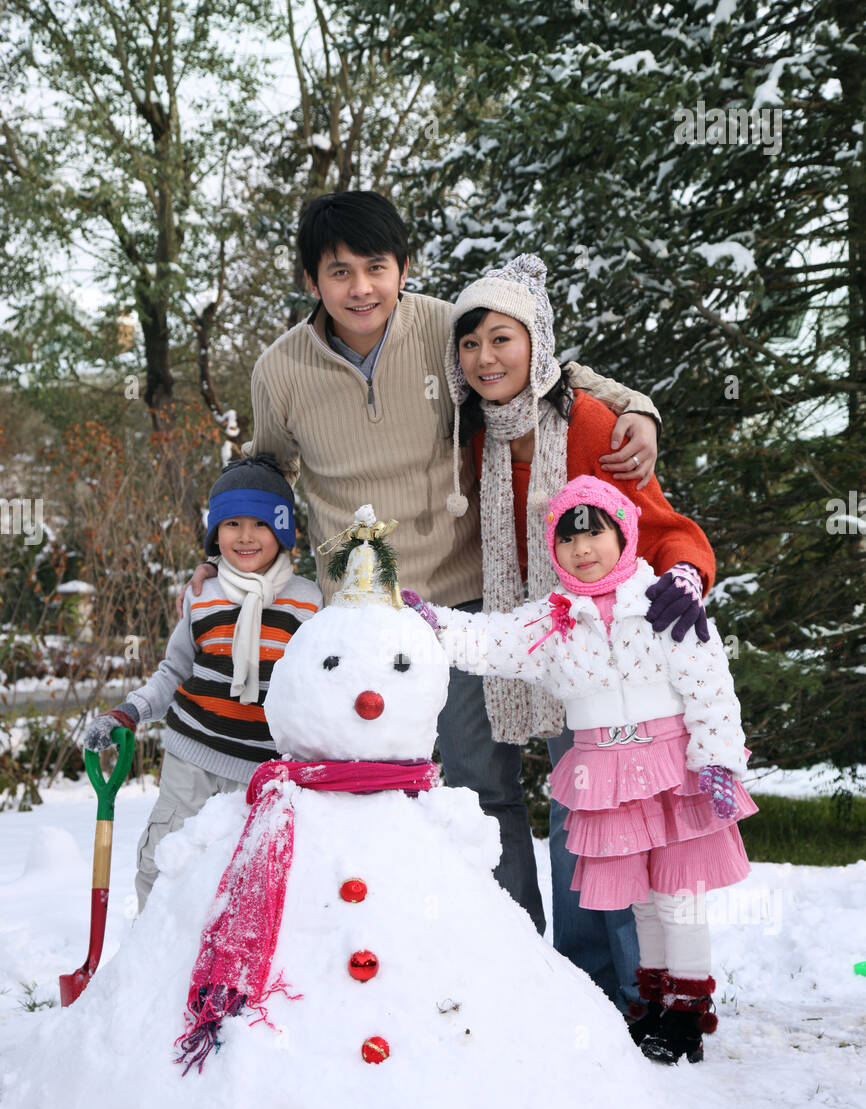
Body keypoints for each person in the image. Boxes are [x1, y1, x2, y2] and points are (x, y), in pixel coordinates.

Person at [184, 190, 662, 937]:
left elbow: (537, 366)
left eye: (378, 267)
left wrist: (636, 404)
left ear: (403, 267)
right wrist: (220, 560)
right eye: (340, 272)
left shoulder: (445, 328)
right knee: (369, 791)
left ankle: (528, 967)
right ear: (312, 281)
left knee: (483, 786)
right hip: (364, 620)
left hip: (468, 600)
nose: (361, 288)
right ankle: (409, 958)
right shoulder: (279, 371)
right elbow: (265, 475)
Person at [435, 252, 716, 1015]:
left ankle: (604, 987)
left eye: (503, 339)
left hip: (589, 643)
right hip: (505, 629)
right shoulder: (468, 432)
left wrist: (684, 578)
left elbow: (665, 529)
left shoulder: (588, 421)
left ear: (536, 342)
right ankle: (518, 967)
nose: (486, 358)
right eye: (471, 344)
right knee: (484, 796)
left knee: (587, 813)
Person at [422, 475, 757, 1063]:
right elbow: (487, 640)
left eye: (595, 533)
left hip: (674, 768)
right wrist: (430, 623)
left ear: (624, 533)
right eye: (568, 540)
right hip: (608, 773)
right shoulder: (553, 623)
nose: (583, 550)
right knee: (643, 903)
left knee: (680, 899)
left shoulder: (663, 602)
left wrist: (719, 760)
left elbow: (710, 686)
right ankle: (651, 1005)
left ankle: (686, 1015)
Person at [84, 456, 321, 909]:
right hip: (191, 757)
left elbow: (318, 691)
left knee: (239, 881)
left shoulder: (309, 605)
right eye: (232, 523)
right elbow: (173, 672)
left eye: (259, 524)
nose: (245, 536)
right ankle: (149, 961)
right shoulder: (203, 596)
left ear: (283, 530)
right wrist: (129, 711)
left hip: (261, 772)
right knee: (164, 861)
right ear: (216, 534)